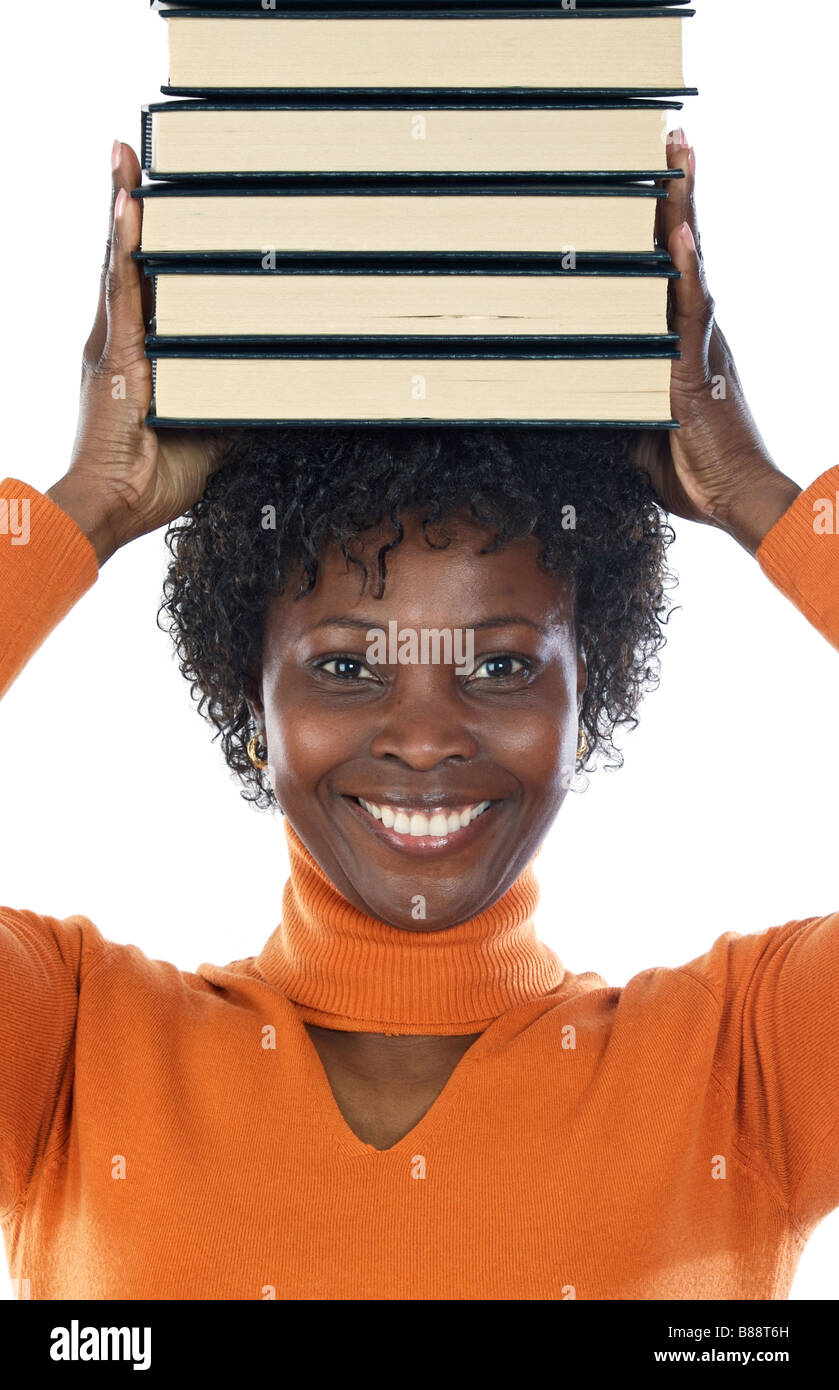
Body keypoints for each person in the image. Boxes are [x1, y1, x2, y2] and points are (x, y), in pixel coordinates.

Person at [0, 133, 836, 1301]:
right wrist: (85, 503)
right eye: (346, 667)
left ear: (585, 694)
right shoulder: (67, 1041)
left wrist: (759, 495)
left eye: (499, 668)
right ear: (252, 698)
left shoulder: (746, 1062)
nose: (425, 737)